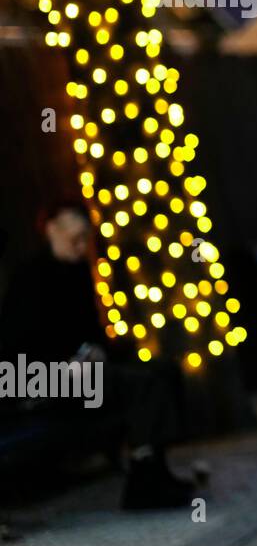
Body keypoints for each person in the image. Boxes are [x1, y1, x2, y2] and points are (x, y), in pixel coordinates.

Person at [0, 200, 195, 509]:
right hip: (42, 378)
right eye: (74, 238)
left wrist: (96, 351)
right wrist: (66, 364)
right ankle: (144, 481)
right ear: (52, 230)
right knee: (135, 384)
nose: (80, 246)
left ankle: (155, 468)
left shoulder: (78, 273)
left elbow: (90, 333)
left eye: (83, 239)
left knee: (161, 370)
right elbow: (19, 346)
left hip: (81, 371)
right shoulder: (30, 276)